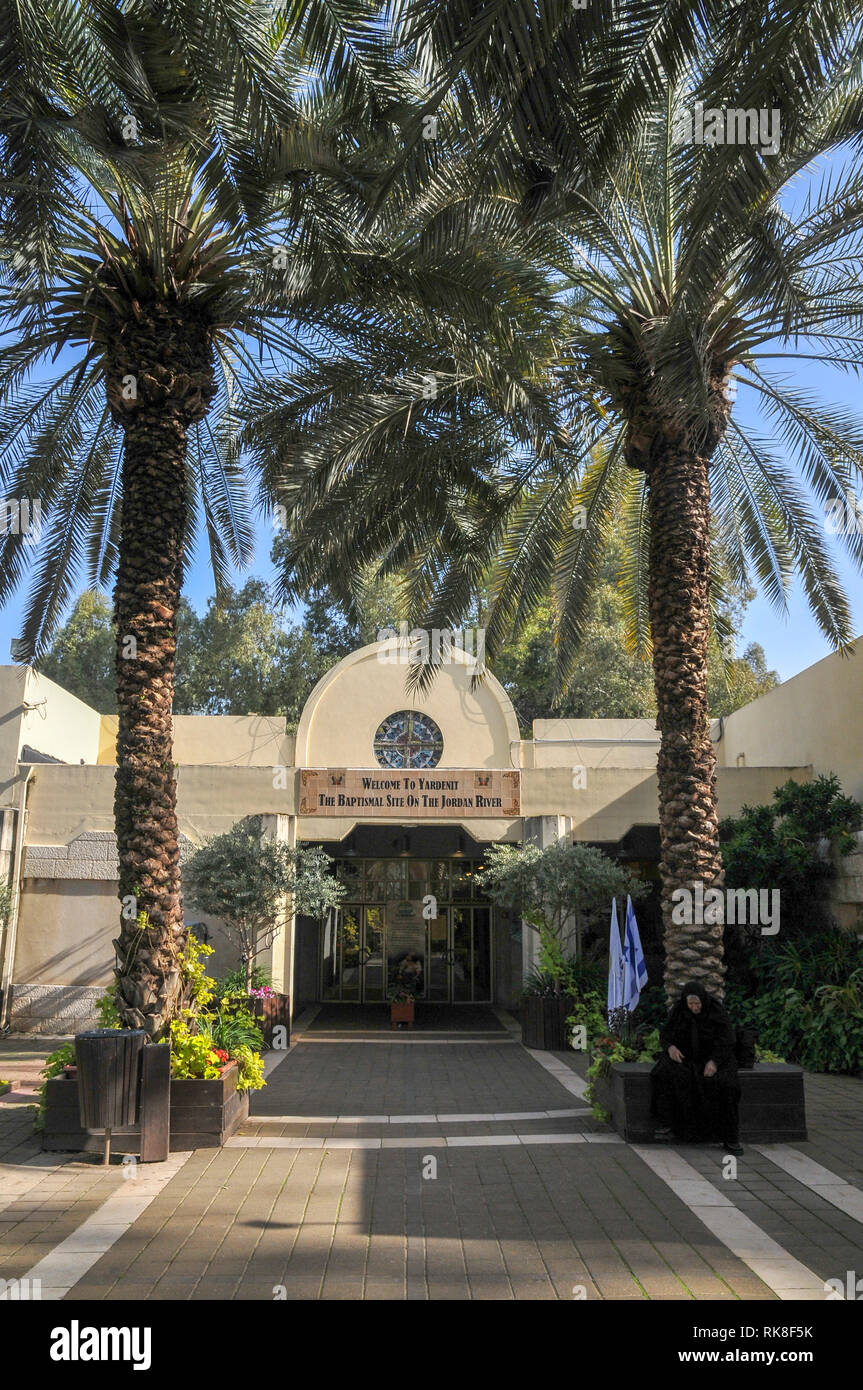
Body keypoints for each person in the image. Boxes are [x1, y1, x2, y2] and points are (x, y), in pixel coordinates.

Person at [650, 979, 743, 1155]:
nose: (694, 1008)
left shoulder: (715, 1011)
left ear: (703, 1001)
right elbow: (666, 1035)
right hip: (686, 1058)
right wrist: (670, 1048)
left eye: (697, 1003)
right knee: (665, 1073)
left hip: (716, 1058)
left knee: (727, 1085)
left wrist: (715, 1061)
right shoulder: (679, 1010)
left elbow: (727, 1040)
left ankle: (730, 1137)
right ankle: (670, 1126)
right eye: (691, 1004)